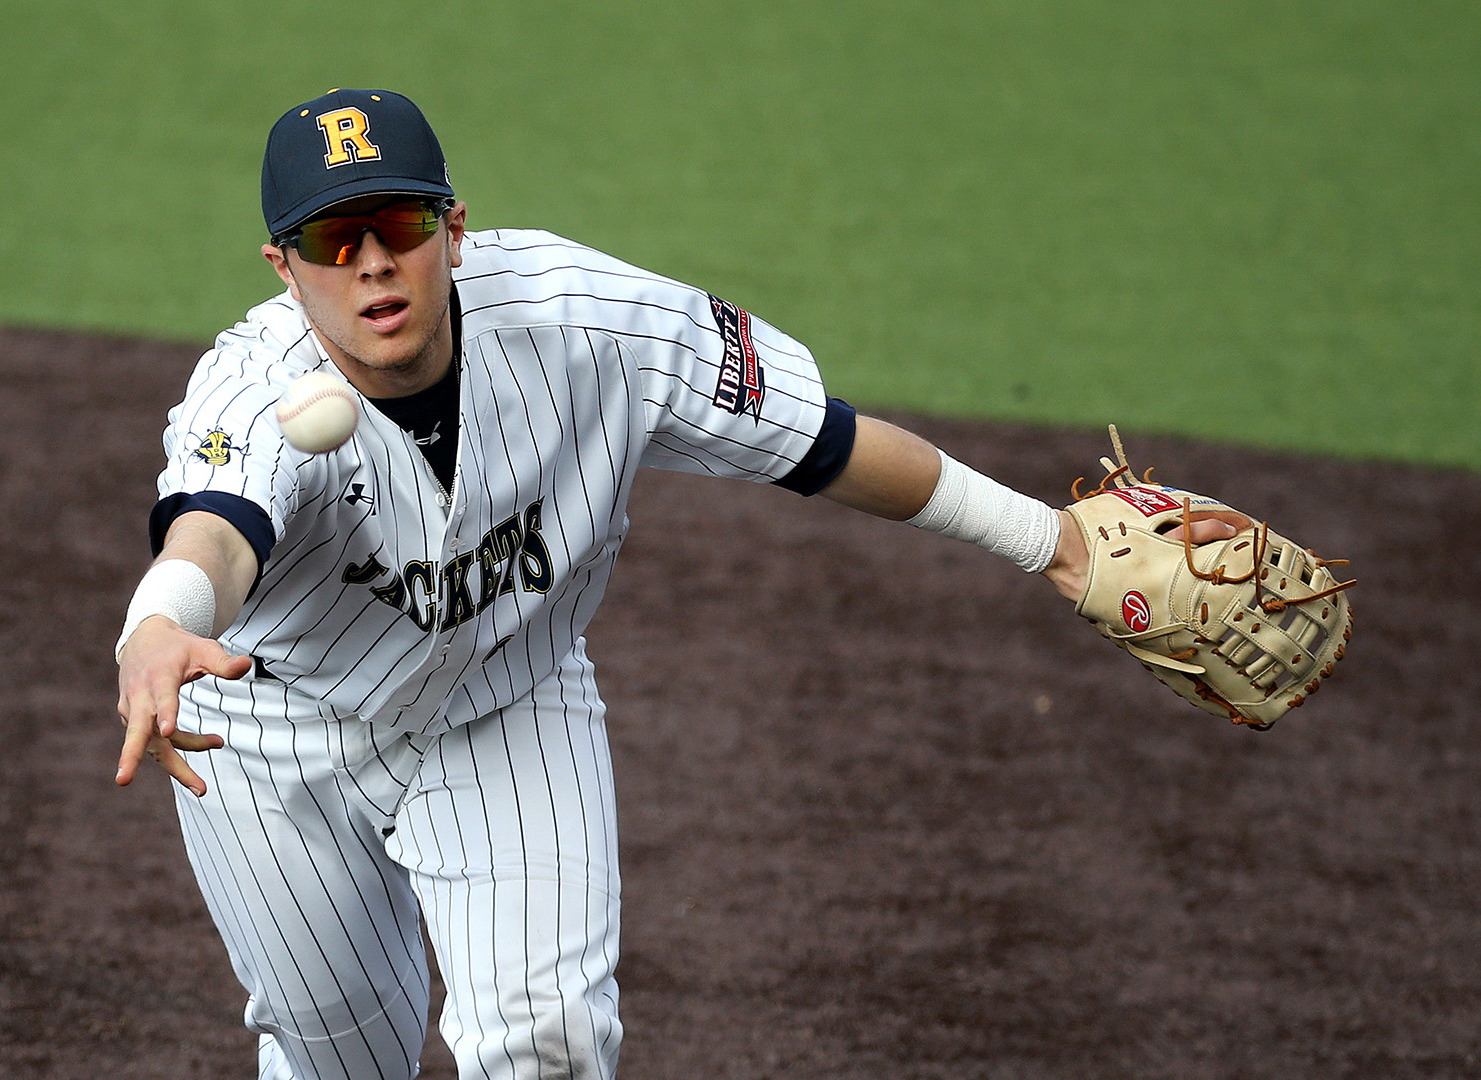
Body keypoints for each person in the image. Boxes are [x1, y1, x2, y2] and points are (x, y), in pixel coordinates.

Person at [113, 88, 1232, 1080]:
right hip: (267, 733)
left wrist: (1054, 542)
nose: (370, 263)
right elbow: (213, 537)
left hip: (503, 706)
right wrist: (159, 626)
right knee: (340, 1057)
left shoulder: (593, 324)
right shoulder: (252, 391)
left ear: (453, 228)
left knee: (547, 1044)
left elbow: (826, 447)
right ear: (283, 264)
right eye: (329, 237)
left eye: (399, 225)